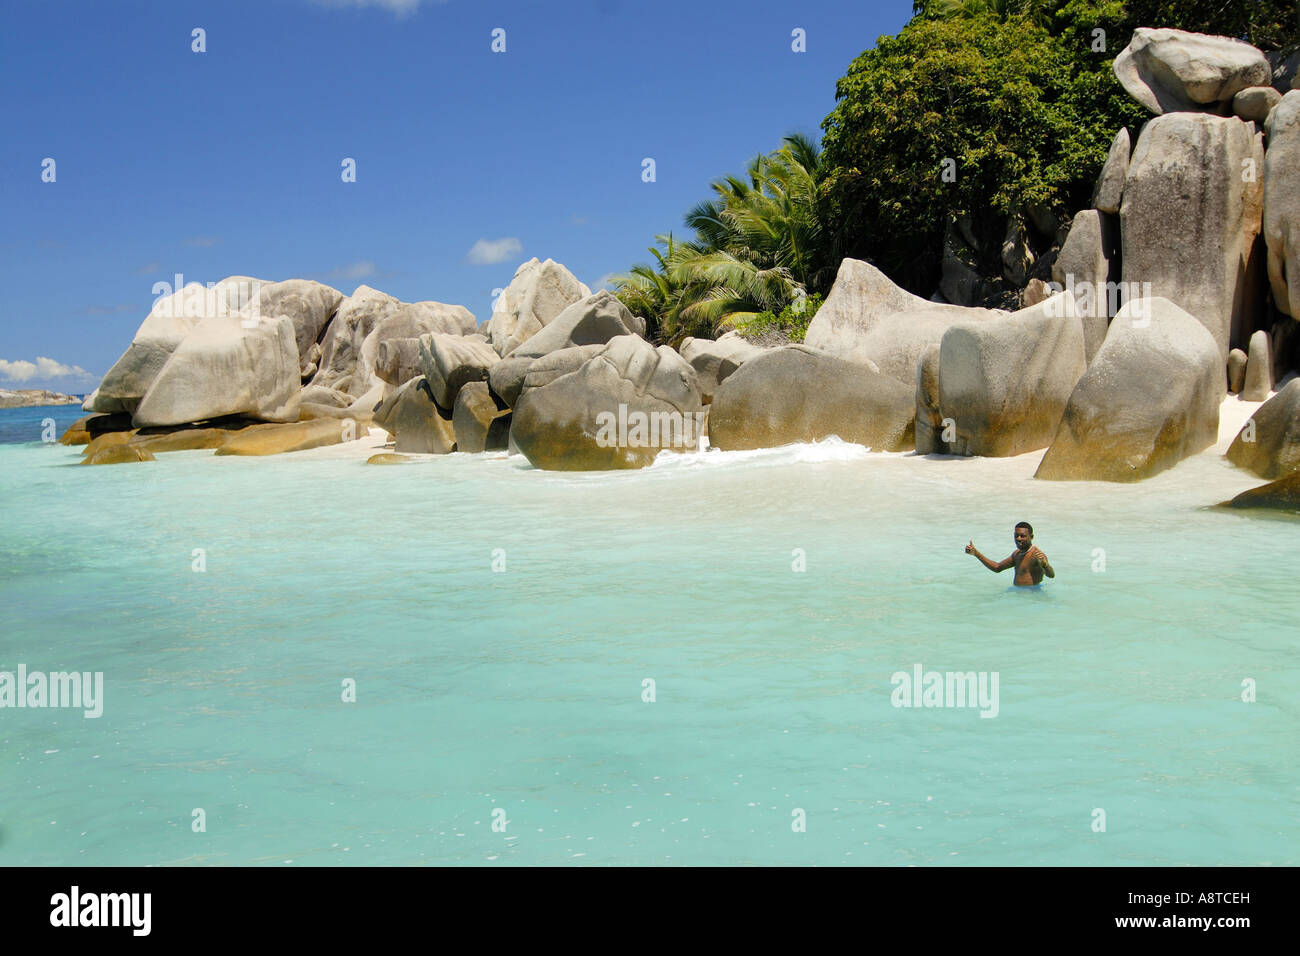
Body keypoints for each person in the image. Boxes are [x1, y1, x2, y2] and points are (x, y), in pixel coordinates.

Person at [965, 522, 1054, 587]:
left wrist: (1044, 564)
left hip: (1031, 595)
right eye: (1016, 535)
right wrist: (976, 553)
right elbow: (997, 567)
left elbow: (1051, 575)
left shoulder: (1036, 555)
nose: (1018, 538)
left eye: (1022, 536)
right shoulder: (1017, 554)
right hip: (1019, 595)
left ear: (1031, 537)